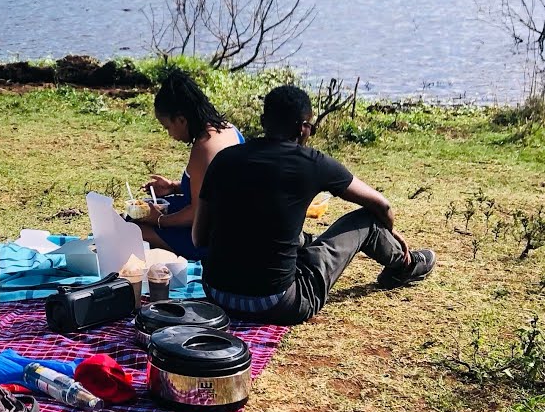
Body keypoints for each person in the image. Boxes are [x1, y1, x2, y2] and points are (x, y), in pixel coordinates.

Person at [192, 85, 436, 325]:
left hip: (217, 296)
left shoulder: (224, 160)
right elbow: (381, 206)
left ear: (264, 121)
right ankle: (405, 265)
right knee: (366, 221)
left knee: (291, 236)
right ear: (302, 128)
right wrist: (391, 230)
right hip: (278, 302)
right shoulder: (312, 163)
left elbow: (199, 239)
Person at [130, 69, 245, 259]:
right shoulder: (228, 128)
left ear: (182, 119)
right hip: (237, 224)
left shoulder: (204, 147)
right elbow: (215, 187)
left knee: (131, 228)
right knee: (147, 211)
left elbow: (197, 214)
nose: (169, 134)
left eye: (168, 127)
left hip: (216, 239)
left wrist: (158, 220)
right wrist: (174, 187)